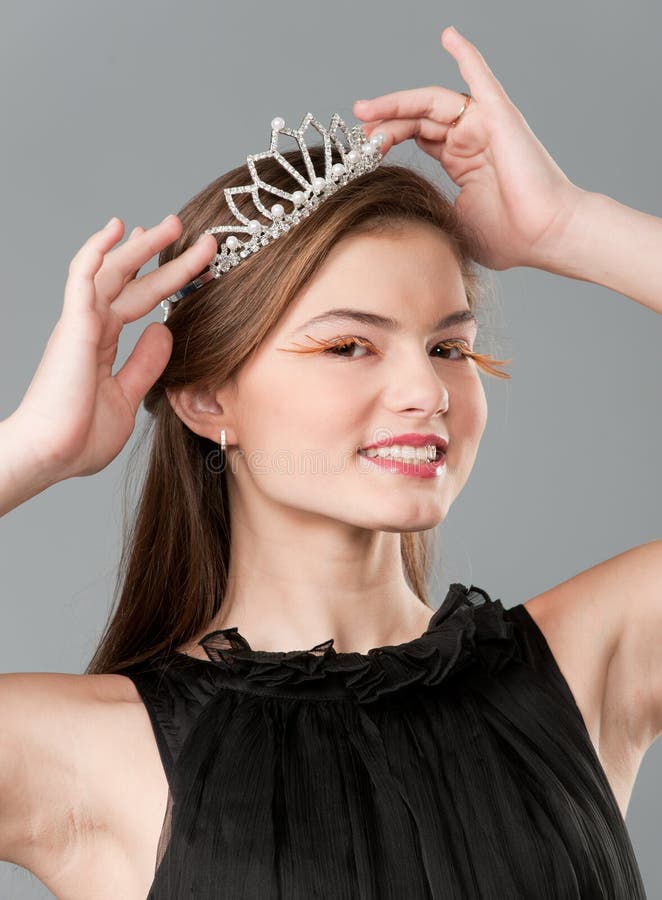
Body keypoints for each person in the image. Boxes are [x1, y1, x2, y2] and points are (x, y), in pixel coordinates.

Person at [0, 23, 659, 900]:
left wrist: (570, 226)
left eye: (450, 349)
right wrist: (31, 450)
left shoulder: (588, 666)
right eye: (351, 346)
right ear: (206, 400)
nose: (426, 392)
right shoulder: (94, 751)